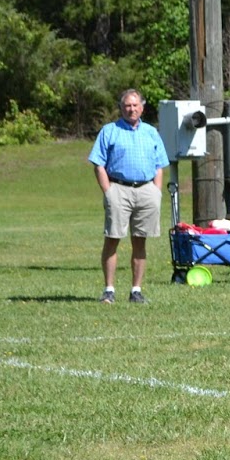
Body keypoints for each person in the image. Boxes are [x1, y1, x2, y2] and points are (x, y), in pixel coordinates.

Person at [89, 89, 169, 304]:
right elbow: (98, 163)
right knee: (112, 239)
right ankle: (109, 290)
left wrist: (156, 191)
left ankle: (136, 291)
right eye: (127, 105)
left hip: (146, 191)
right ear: (121, 108)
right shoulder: (109, 131)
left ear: (142, 107)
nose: (131, 109)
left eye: (135, 105)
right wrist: (108, 191)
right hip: (118, 189)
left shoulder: (151, 132)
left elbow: (159, 165)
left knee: (140, 241)